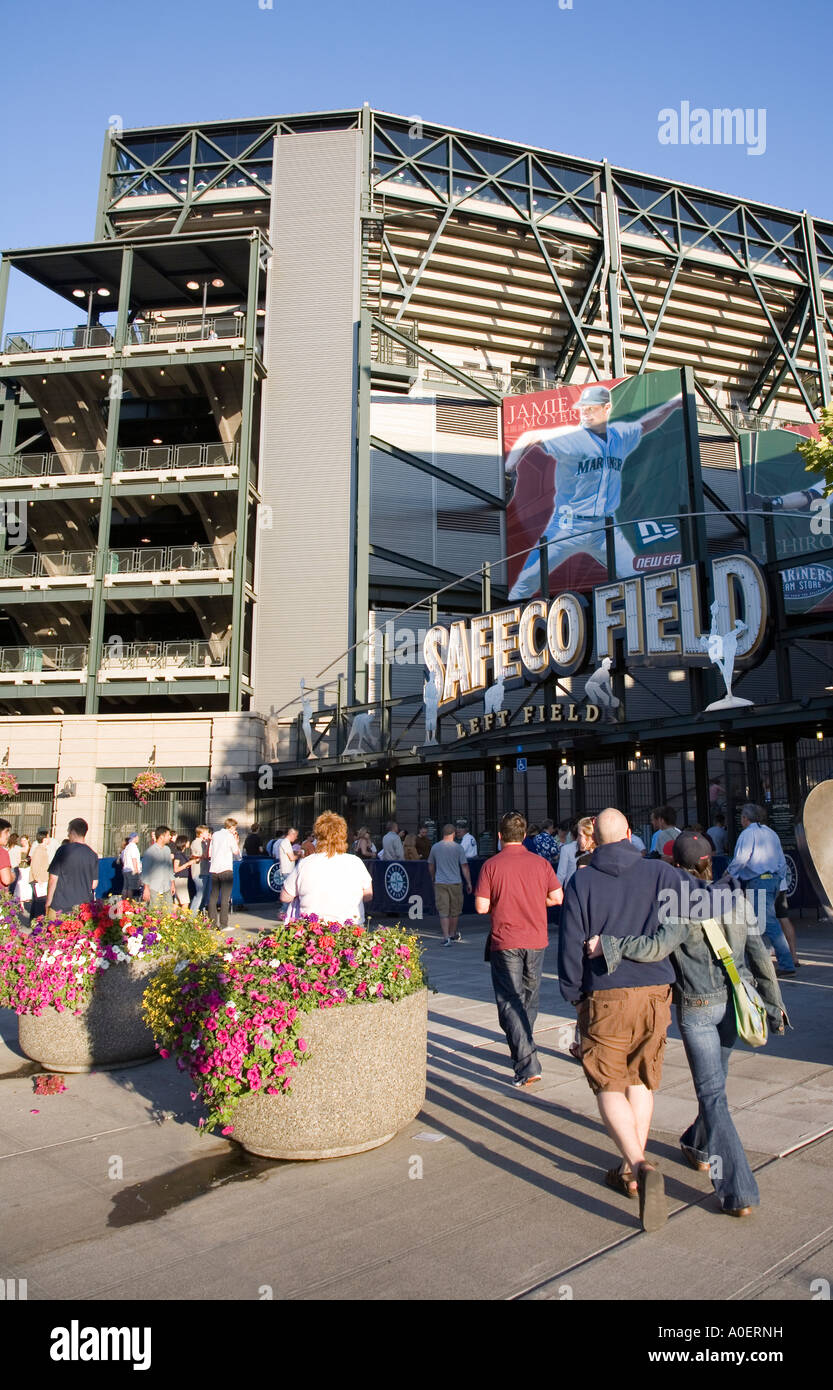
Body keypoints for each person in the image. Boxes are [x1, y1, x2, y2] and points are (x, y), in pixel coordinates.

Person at [587, 831, 787, 1217]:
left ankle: (738, 1190)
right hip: (735, 1003)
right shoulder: (736, 897)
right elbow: (761, 955)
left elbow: (656, 948)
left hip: (698, 1008)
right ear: (711, 860)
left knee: (713, 1095)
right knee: (715, 1088)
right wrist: (774, 1006)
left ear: (676, 865)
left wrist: (610, 945)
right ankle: (698, 1144)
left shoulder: (679, 903)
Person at [558, 807, 681, 1232]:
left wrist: (574, 995)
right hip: (655, 990)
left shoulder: (581, 881)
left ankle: (639, 1165)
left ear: (594, 838)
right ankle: (631, 1171)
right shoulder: (661, 874)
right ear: (630, 833)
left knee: (608, 1083)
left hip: (605, 993)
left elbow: (570, 944)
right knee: (641, 1079)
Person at [507, 384, 682, 600]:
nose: (585, 412)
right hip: (567, 527)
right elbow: (531, 435)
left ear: (607, 408)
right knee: (527, 581)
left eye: (591, 408)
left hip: (604, 528)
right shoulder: (572, 436)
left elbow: (645, 424)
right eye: (583, 408)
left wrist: (674, 403)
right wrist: (509, 468)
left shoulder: (620, 435)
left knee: (637, 577)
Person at [475, 810, 562, 1087]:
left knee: (509, 1000)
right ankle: (525, 1046)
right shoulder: (540, 863)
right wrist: (536, 900)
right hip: (536, 939)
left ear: (500, 836)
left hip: (506, 940)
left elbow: (481, 907)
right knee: (529, 998)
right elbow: (557, 897)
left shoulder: (491, 865)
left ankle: (526, 1062)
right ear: (524, 835)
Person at [726, 804, 795, 975]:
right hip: (772, 879)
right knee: (761, 922)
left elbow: (741, 858)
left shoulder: (747, 834)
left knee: (767, 923)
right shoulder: (771, 833)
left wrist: (728, 873)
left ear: (745, 818)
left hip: (758, 881)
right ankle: (761, 962)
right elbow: (781, 860)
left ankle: (786, 964)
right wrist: (778, 878)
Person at [280, 811, 373, 923]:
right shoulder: (356, 862)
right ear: (343, 836)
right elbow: (368, 896)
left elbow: (285, 897)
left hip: (313, 927)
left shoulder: (305, 863)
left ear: (318, 836)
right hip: (349, 927)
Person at [45, 818, 99, 918]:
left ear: (73, 832)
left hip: (60, 905)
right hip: (82, 908)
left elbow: (53, 878)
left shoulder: (63, 850)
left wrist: (48, 901)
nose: (68, 835)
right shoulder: (93, 855)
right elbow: (94, 884)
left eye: (68, 832)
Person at [428, 824, 472, 945]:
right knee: (455, 910)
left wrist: (433, 877)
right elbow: (464, 866)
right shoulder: (458, 848)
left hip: (440, 882)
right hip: (455, 882)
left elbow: (431, 865)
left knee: (443, 911)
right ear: (453, 833)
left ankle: (446, 936)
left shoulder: (435, 847)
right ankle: (452, 933)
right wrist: (469, 882)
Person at [207, 817, 241, 930]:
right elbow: (236, 852)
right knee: (225, 898)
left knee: (213, 896)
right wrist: (236, 841)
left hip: (214, 868)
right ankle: (223, 924)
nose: (235, 830)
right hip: (226, 868)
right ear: (231, 827)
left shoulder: (215, 835)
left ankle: (212, 923)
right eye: (234, 828)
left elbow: (210, 853)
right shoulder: (230, 836)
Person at [141, 826, 175, 909]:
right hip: (154, 888)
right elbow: (145, 871)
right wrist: (146, 889)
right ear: (161, 837)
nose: (170, 837)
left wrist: (172, 884)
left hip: (166, 887)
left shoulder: (167, 850)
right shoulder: (150, 852)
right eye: (168, 835)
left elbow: (170, 868)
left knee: (168, 912)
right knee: (154, 912)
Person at [556, 816, 594, 888]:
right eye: (578, 835)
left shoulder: (566, 849)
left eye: (580, 835)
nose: (578, 839)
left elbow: (561, 875)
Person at [28, 828, 52, 917]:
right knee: (40, 903)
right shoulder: (39, 850)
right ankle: (38, 921)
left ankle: (33, 920)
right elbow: (35, 865)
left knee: (36, 902)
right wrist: (38, 879)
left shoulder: (42, 849)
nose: (49, 839)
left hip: (41, 879)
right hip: (39, 880)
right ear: (44, 839)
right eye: (48, 837)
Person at [190, 825, 212, 911]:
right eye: (206, 832)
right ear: (201, 833)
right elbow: (204, 855)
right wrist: (209, 843)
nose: (208, 834)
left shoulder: (204, 843)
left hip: (206, 871)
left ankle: (200, 913)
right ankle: (192, 914)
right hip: (199, 872)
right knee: (200, 894)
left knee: (205, 896)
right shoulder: (196, 842)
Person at [172, 835, 198, 907]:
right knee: (185, 902)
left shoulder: (182, 854)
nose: (189, 842)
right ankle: (184, 915)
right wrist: (187, 864)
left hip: (183, 879)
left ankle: (173, 914)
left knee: (177, 902)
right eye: (187, 841)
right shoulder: (178, 854)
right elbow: (175, 869)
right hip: (180, 879)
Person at [121, 831, 142, 899]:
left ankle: (124, 901)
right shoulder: (133, 847)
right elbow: (134, 858)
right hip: (131, 869)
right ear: (134, 838)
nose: (138, 839)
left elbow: (123, 859)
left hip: (125, 869)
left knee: (125, 887)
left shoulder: (127, 847)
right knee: (130, 888)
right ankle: (129, 902)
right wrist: (136, 869)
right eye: (137, 837)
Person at [0, 820, 14, 896]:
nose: (9, 835)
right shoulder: (2, 853)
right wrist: (13, 876)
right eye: (6, 832)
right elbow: (6, 880)